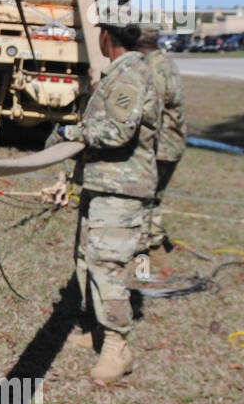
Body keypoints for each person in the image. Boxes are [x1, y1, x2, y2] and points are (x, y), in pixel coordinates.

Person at [51, 23, 161, 383]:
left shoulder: (130, 74)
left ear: (106, 37)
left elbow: (116, 132)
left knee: (106, 267)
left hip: (121, 191)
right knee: (86, 259)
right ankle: (99, 331)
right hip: (102, 186)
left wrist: (69, 132)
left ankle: (118, 348)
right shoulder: (122, 72)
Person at [138, 24, 187, 257]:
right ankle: (153, 238)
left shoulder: (152, 68)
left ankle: (147, 244)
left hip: (160, 145)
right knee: (154, 197)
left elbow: (150, 111)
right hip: (172, 143)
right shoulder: (166, 62)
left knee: (145, 195)